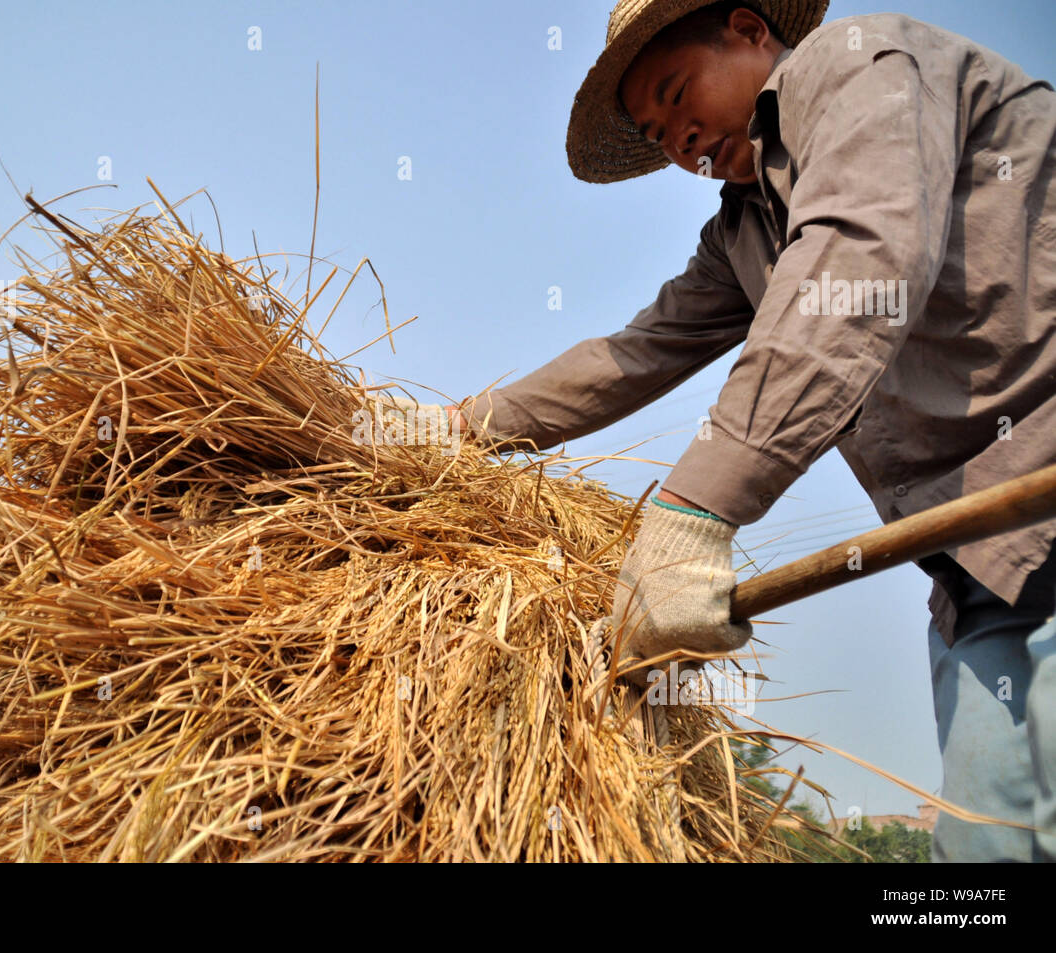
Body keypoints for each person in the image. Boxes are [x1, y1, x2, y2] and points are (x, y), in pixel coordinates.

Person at [444, 0, 1056, 862]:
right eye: (658, 135)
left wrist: (696, 509)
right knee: (982, 858)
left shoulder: (858, 63)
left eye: (676, 93)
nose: (681, 142)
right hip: (979, 564)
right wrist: (463, 428)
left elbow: (859, 261)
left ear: (747, 28)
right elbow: (637, 352)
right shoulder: (744, 231)